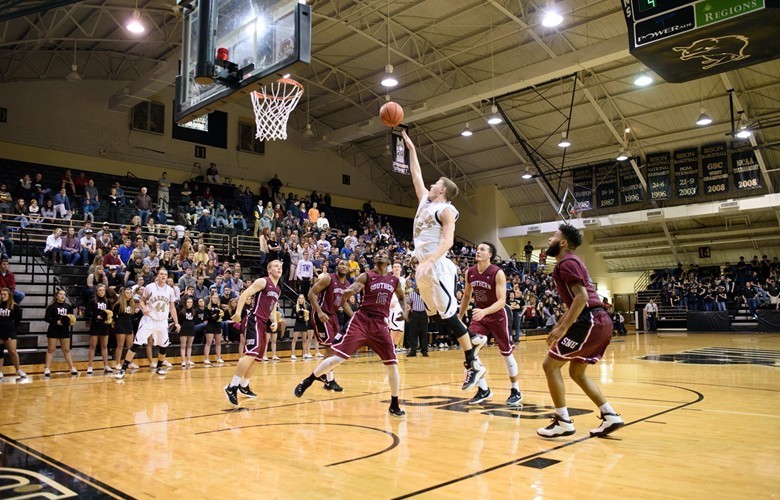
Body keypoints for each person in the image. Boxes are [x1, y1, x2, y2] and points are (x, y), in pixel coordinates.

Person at [401, 130, 486, 390]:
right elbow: (415, 175)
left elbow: (448, 241)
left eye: (435, 182)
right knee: (436, 315)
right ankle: (472, 337)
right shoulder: (424, 203)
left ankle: (473, 363)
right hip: (424, 268)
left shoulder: (446, 209)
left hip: (437, 266)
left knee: (448, 316)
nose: (430, 184)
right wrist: (411, 148)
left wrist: (429, 261)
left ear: (443, 191)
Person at [294, 250, 407, 417]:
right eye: (377, 253)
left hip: (380, 324)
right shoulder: (366, 276)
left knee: (392, 364)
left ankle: (394, 404)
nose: (380, 254)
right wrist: (348, 293)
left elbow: (402, 297)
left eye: (384, 253)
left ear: (389, 259)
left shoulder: (394, 280)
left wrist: (404, 311)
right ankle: (309, 380)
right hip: (361, 319)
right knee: (338, 357)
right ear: (374, 259)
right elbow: (352, 290)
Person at [536, 224, 624, 438]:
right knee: (576, 372)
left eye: (554, 236)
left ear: (563, 243)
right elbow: (577, 301)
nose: (549, 239)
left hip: (590, 320)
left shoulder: (566, 262)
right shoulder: (570, 262)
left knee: (550, 365)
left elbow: (582, 297)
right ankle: (610, 415)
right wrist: (561, 324)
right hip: (598, 320)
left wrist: (563, 327)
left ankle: (563, 421)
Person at [459, 242, 523, 407]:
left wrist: (485, 311)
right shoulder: (470, 272)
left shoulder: (497, 273)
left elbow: (502, 301)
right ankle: (483, 389)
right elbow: (466, 296)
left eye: (482, 249)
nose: (478, 251)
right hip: (480, 315)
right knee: (470, 350)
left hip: (498, 315)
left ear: (490, 255)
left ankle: (515, 390)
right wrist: (459, 316)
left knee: (507, 353)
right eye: (477, 249)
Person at [223, 260, 282, 407]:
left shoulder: (278, 289)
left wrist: (274, 320)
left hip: (263, 323)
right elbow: (244, 295)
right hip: (254, 320)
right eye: (275, 266)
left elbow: (273, 306)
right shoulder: (263, 281)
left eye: (280, 266)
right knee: (250, 354)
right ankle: (232, 386)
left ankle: (244, 385)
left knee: (257, 358)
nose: (279, 268)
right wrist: (237, 313)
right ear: (269, 270)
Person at [115, 268, 180, 379]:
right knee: (136, 344)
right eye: (161, 274)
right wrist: (144, 307)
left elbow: (172, 307)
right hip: (149, 319)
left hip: (162, 321)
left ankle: (159, 367)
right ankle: (123, 369)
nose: (163, 276)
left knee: (164, 346)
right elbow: (141, 300)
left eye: (165, 274)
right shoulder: (149, 287)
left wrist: (176, 322)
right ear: (157, 275)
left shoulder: (170, 290)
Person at [307, 259, 353, 391]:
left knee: (335, 347)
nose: (343, 266)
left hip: (333, 316)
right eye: (341, 264)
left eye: (346, 265)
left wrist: (354, 316)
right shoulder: (328, 279)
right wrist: (319, 311)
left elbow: (343, 302)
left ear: (349, 269)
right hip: (322, 314)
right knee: (331, 348)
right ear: (337, 266)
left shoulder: (347, 284)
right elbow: (311, 293)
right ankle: (329, 379)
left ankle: (323, 376)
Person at [43, 289, 78, 377]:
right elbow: (47, 318)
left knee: (66, 350)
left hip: (64, 330)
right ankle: (47, 368)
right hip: (53, 329)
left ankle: (72, 367)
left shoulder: (68, 306)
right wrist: (56, 322)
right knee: (51, 350)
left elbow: (70, 318)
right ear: (56, 296)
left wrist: (71, 322)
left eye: (64, 295)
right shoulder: (51, 306)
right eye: (60, 294)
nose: (62, 296)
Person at [85, 284, 113, 374]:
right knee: (93, 346)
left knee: (104, 346)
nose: (102, 291)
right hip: (95, 325)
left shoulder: (107, 302)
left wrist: (107, 318)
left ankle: (106, 365)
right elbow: (87, 313)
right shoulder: (92, 301)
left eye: (103, 290)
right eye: (100, 290)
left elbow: (110, 312)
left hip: (104, 325)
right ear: (96, 292)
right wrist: (96, 316)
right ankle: (90, 366)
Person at [113, 287, 140, 371]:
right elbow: (114, 315)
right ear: (123, 294)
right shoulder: (118, 304)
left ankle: (129, 362)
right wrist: (117, 323)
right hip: (120, 326)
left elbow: (132, 316)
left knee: (130, 346)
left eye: (130, 293)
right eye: (127, 293)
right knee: (120, 346)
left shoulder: (132, 303)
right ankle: (117, 363)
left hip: (129, 325)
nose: (129, 294)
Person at [0, 287, 25, 380]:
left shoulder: (15, 307)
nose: (2, 296)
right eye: (1, 294)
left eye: (4, 294)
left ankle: (18, 370)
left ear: (9, 296)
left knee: (13, 351)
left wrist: (12, 330)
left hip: (10, 331)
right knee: (0, 352)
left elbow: (18, 321)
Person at [388, 262, 406, 353]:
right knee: (394, 328)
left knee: (400, 329)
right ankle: (389, 348)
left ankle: (394, 348)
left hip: (401, 306)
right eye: (394, 267)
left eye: (398, 267)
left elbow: (403, 293)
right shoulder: (389, 279)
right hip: (393, 305)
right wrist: (388, 303)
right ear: (392, 269)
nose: (396, 268)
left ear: (401, 269)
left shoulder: (403, 280)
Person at [178, 296, 197, 368]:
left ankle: (189, 359)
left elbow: (194, 320)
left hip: (191, 328)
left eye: (191, 302)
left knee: (189, 345)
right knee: (183, 346)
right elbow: (180, 321)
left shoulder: (194, 311)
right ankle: (183, 360)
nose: (190, 304)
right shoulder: (182, 312)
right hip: (184, 328)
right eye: (188, 302)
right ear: (185, 303)